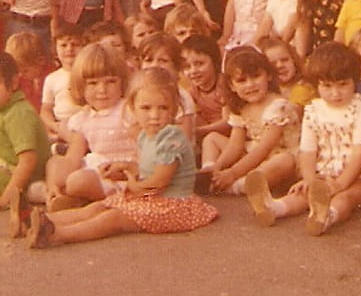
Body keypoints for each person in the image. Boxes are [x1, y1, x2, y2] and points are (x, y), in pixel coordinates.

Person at [25, 67, 218, 249]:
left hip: (173, 205)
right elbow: (147, 168)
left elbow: (157, 183)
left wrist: (133, 186)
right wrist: (126, 167)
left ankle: (58, 234)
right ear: (133, 108)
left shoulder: (172, 140)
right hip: (151, 198)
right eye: (146, 108)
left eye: (163, 108)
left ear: (175, 109)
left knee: (113, 218)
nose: (154, 115)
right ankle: (36, 222)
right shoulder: (145, 135)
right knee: (100, 206)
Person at [245, 41, 361, 236]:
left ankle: (327, 216)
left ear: (354, 81)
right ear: (317, 84)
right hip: (324, 172)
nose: (335, 93)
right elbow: (307, 151)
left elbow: (359, 153)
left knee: (346, 197)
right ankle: (274, 208)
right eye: (327, 86)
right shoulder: (314, 110)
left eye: (343, 85)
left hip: (359, 176)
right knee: (302, 193)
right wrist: (309, 179)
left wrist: (340, 184)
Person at [44, 43, 137, 211]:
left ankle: (72, 199)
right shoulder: (82, 118)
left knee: (77, 181)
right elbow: (73, 157)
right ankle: (54, 193)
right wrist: (58, 176)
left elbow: (143, 149)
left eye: (110, 82)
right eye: (93, 83)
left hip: (119, 176)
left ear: (122, 82)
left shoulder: (128, 110)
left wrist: (125, 171)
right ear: (81, 86)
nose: (102, 90)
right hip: (94, 170)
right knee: (55, 162)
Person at [199, 47, 298, 196]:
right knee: (212, 138)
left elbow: (264, 149)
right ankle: (210, 175)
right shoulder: (242, 108)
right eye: (242, 81)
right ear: (232, 86)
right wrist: (219, 166)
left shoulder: (278, 106)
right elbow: (235, 145)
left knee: (285, 161)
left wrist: (233, 173)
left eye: (256, 77)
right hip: (252, 155)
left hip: (276, 156)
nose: (250, 85)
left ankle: (237, 187)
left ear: (269, 76)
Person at [0, 52, 49, 232]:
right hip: (8, 168)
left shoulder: (17, 113)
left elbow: (27, 161)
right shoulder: (4, 109)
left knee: (35, 191)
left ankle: (19, 210)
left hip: (27, 178)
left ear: (13, 83)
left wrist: (6, 199)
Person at [138, 32, 197, 144]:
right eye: (149, 60)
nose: (154, 65)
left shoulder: (182, 98)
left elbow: (185, 140)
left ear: (176, 66)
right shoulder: (139, 94)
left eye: (163, 61)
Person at [40, 22, 85, 143]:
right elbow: (45, 109)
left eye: (75, 44)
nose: (69, 49)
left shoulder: (89, 74)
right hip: (61, 124)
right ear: (55, 49)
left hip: (85, 123)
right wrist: (55, 126)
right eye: (63, 45)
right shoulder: (52, 78)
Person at [180, 35, 229, 143]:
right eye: (187, 67)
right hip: (209, 133)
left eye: (199, 64)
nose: (193, 71)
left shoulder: (222, 86)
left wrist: (198, 131)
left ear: (215, 63)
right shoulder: (193, 90)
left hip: (228, 135)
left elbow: (228, 122)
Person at [256, 36, 315, 114]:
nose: (280, 65)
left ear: (293, 60)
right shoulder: (266, 92)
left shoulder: (303, 88)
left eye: (284, 60)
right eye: (273, 63)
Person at [5, 30, 54, 113]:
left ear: (41, 61)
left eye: (25, 71)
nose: (20, 75)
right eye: (17, 71)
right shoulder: (19, 81)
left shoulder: (52, 77)